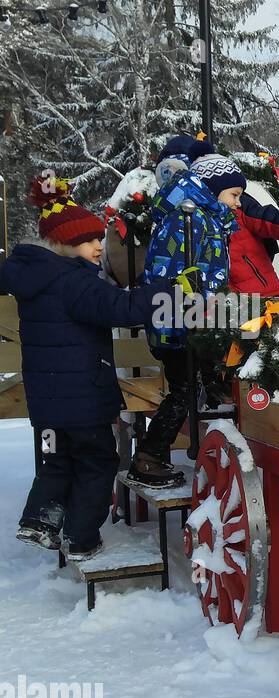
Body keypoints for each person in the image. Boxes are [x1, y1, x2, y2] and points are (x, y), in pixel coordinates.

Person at [2, 176, 170, 560]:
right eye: (90, 240)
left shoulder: (35, 279)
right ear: (65, 243)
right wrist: (165, 291)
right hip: (85, 404)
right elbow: (123, 309)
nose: (99, 247)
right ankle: (80, 538)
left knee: (57, 459)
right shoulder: (75, 283)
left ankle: (39, 521)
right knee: (97, 462)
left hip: (48, 407)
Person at [124, 139, 239, 489]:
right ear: (213, 189)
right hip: (179, 321)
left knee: (202, 380)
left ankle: (216, 401)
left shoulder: (204, 217)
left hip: (195, 316)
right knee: (184, 390)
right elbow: (179, 275)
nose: (237, 203)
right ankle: (149, 456)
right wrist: (197, 310)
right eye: (233, 194)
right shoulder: (188, 219)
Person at [187, 153, 279, 295]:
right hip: (237, 306)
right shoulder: (194, 226)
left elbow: (271, 218)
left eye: (240, 196)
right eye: (234, 195)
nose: (238, 202)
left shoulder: (241, 212)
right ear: (211, 192)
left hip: (268, 293)